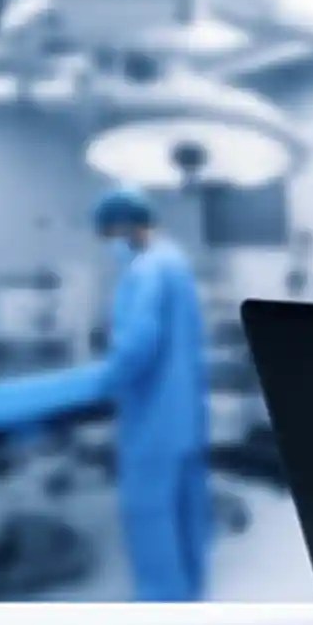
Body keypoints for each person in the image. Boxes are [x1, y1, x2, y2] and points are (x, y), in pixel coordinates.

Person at [93, 186, 212, 602]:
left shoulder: (145, 271)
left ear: (125, 227)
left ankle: (162, 606)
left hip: (153, 420)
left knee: (150, 514)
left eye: (110, 235)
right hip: (186, 417)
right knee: (186, 515)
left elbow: (137, 345)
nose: (111, 247)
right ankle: (192, 597)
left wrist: (103, 381)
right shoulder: (176, 263)